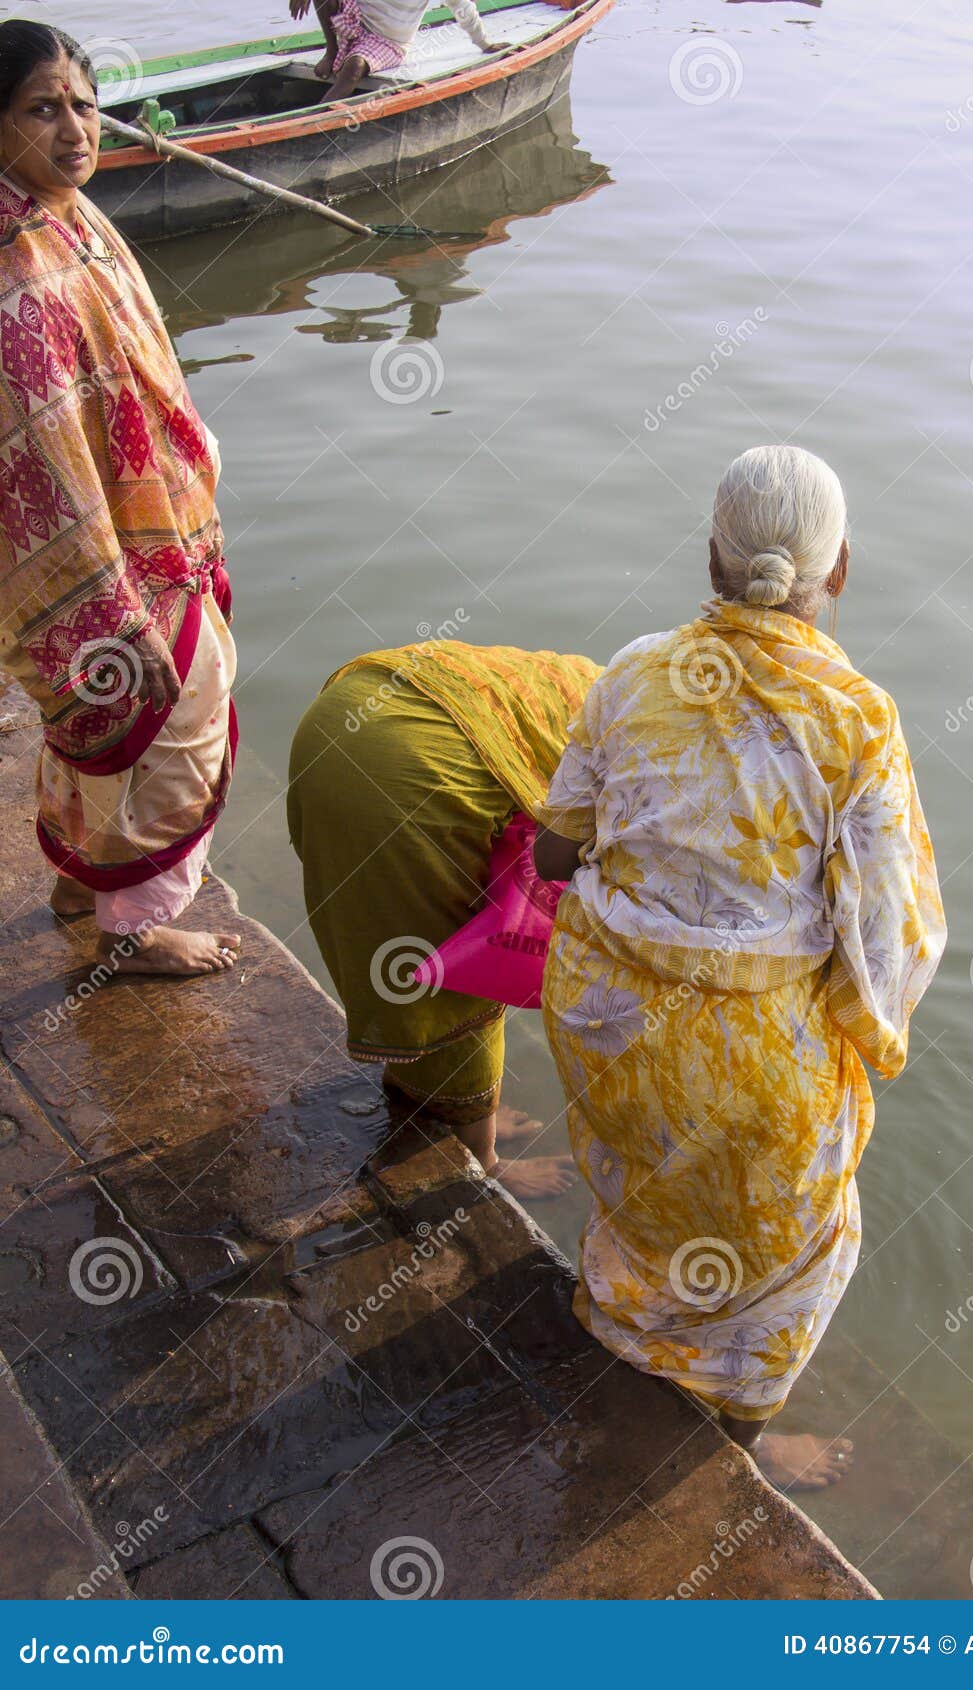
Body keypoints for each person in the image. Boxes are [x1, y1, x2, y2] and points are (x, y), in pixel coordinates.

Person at [535, 446, 946, 1491]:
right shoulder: (859, 718)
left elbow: (552, 850)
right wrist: (860, 1029)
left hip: (606, 1020)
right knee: (794, 1250)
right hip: (753, 1060)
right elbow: (890, 940)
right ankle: (739, 1441)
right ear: (840, 568)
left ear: (709, 560)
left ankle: (627, 1336)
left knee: (647, 1198)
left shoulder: (630, 671)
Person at [0, 21, 241, 977]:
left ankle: (81, 875)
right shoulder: (15, 267)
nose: (74, 130)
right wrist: (103, 579)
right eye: (41, 109)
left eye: (84, 105)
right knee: (180, 705)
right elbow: (41, 451)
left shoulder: (70, 216)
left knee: (91, 708)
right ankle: (132, 928)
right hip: (86, 543)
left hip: (147, 521)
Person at [288, 640, 599, 1199]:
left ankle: (426, 1102)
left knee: (400, 951)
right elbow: (558, 866)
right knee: (469, 971)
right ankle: (481, 1159)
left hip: (343, 715)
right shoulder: (666, 771)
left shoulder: (609, 685)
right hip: (408, 772)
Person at [289, 0, 508, 103]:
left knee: (353, 66)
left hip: (388, 42)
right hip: (355, 21)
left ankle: (317, 115)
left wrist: (485, 44)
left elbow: (463, 8)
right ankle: (332, 51)